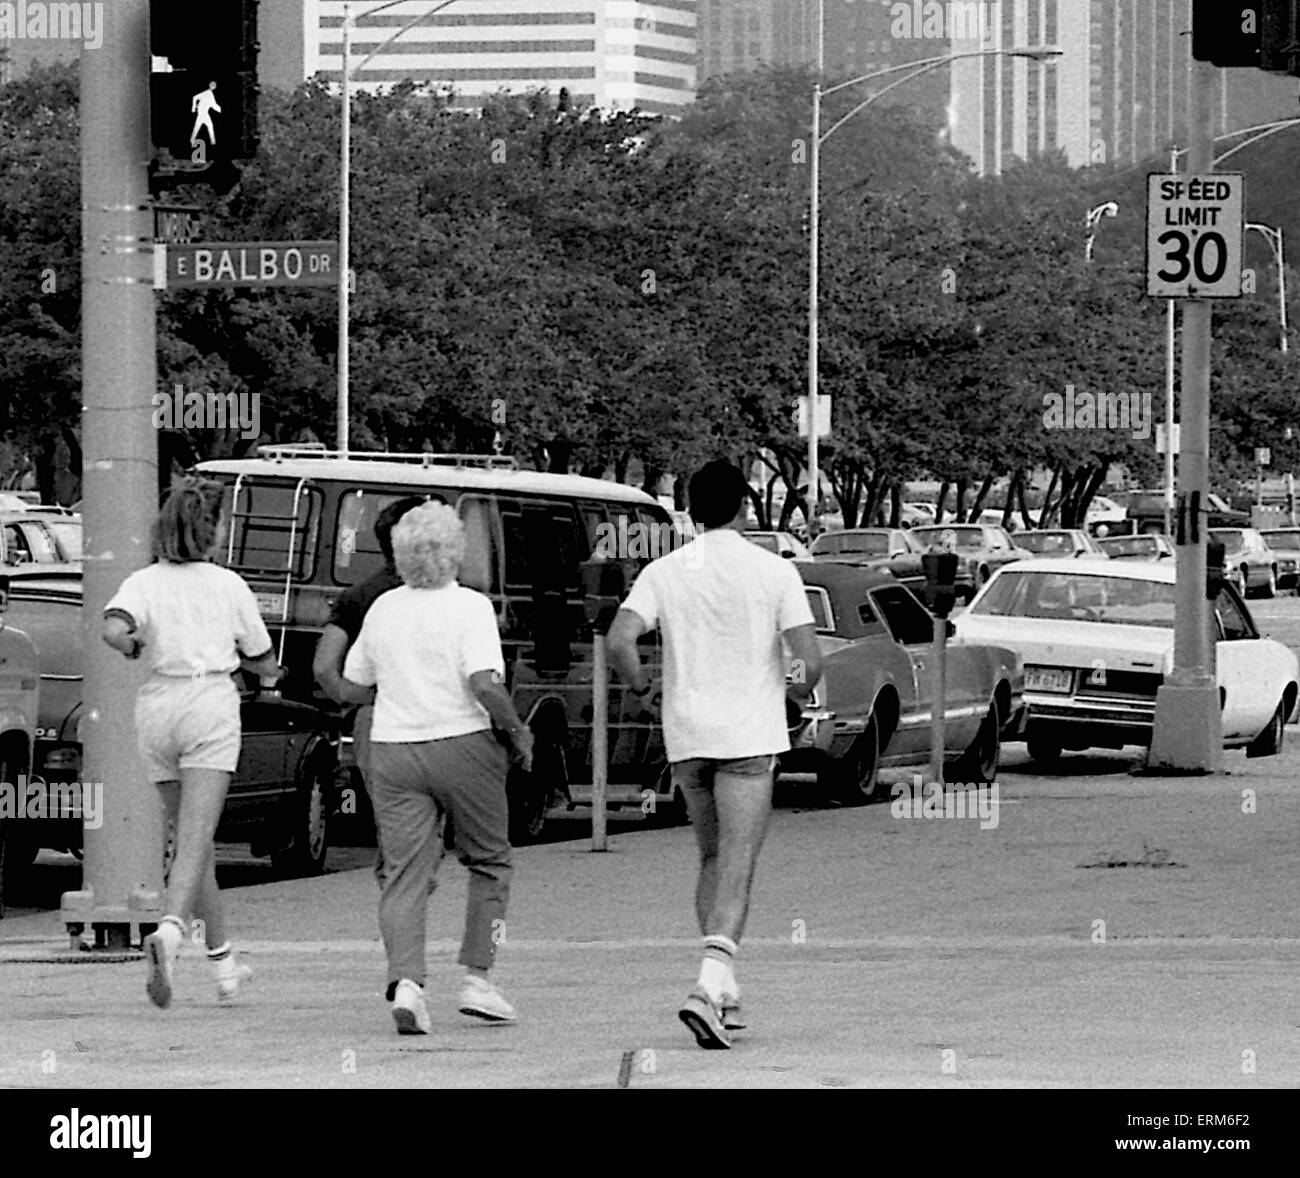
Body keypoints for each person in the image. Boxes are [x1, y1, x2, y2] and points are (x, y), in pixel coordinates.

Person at [607, 459, 824, 1049]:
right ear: (746, 506)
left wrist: (645, 691)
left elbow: (620, 639)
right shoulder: (774, 571)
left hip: (688, 735)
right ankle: (705, 987)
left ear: (692, 510)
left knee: (709, 857)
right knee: (739, 861)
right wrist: (793, 690)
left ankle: (725, 994)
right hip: (748, 737)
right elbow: (807, 659)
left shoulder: (665, 570)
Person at [335, 503, 534, 1034]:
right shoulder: (471, 607)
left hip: (395, 750)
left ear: (400, 555)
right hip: (464, 746)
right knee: (491, 863)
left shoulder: (382, 610)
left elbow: (354, 683)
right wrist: (517, 732)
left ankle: (406, 983)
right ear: (455, 551)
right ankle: (479, 978)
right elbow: (485, 685)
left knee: (405, 874)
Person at [102, 478, 284, 1009]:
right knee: (198, 839)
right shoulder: (228, 584)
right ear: (213, 529)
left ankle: (224, 962)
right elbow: (261, 657)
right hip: (208, 704)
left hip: (157, 707)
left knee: (192, 844)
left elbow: (113, 628)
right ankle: (171, 931)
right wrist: (271, 676)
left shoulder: (143, 582)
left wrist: (133, 643)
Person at [314, 496, 425, 887]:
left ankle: (395, 887)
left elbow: (323, 667)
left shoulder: (358, 596)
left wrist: (356, 697)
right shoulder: (454, 596)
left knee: (389, 818)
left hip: (375, 719)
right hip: (437, 720)